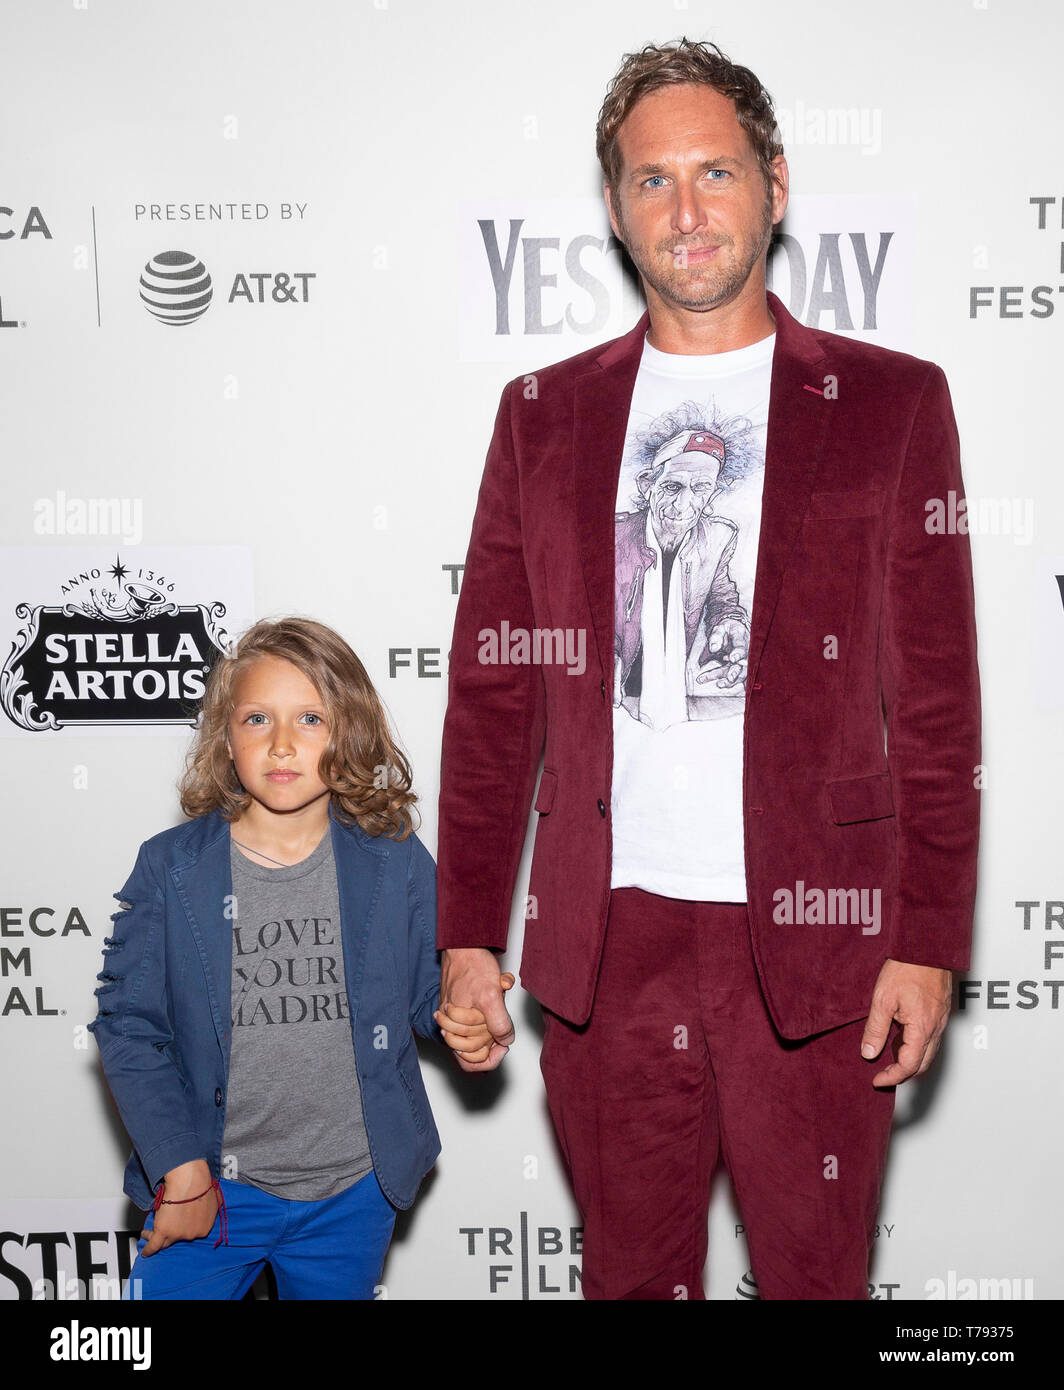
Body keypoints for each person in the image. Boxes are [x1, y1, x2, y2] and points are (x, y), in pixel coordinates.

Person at [435, 38, 980, 1300]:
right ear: (616, 208)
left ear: (774, 187)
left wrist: (927, 937)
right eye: (649, 181)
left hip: (818, 936)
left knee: (813, 1279)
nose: (686, 212)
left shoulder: (894, 403)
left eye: (715, 173)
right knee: (629, 1285)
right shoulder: (541, 414)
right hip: (604, 940)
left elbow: (938, 708)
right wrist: (467, 928)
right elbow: (494, 697)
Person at [88, 616, 493, 1300]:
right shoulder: (170, 869)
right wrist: (181, 1168)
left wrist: (462, 1017)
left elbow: (427, 992)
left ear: (350, 732)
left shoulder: (393, 857)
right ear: (225, 737)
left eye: (309, 717)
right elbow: (128, 1029)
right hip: (211, 1188)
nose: (281, 743)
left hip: (354, 1191)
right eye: (256, 719)